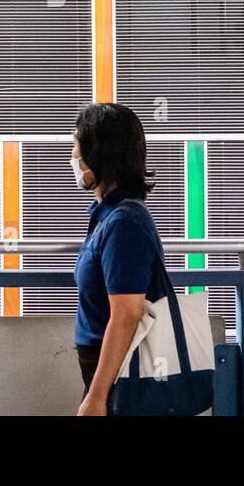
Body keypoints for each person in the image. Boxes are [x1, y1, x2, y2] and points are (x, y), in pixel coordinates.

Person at [70, 102, 163, 416]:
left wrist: (96, 397)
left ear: (100, 155)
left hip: (121, 376)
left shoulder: (124, 223)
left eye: (77, 146)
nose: (73, 157)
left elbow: (126, 314)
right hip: (110, 372)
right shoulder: (107, 216)